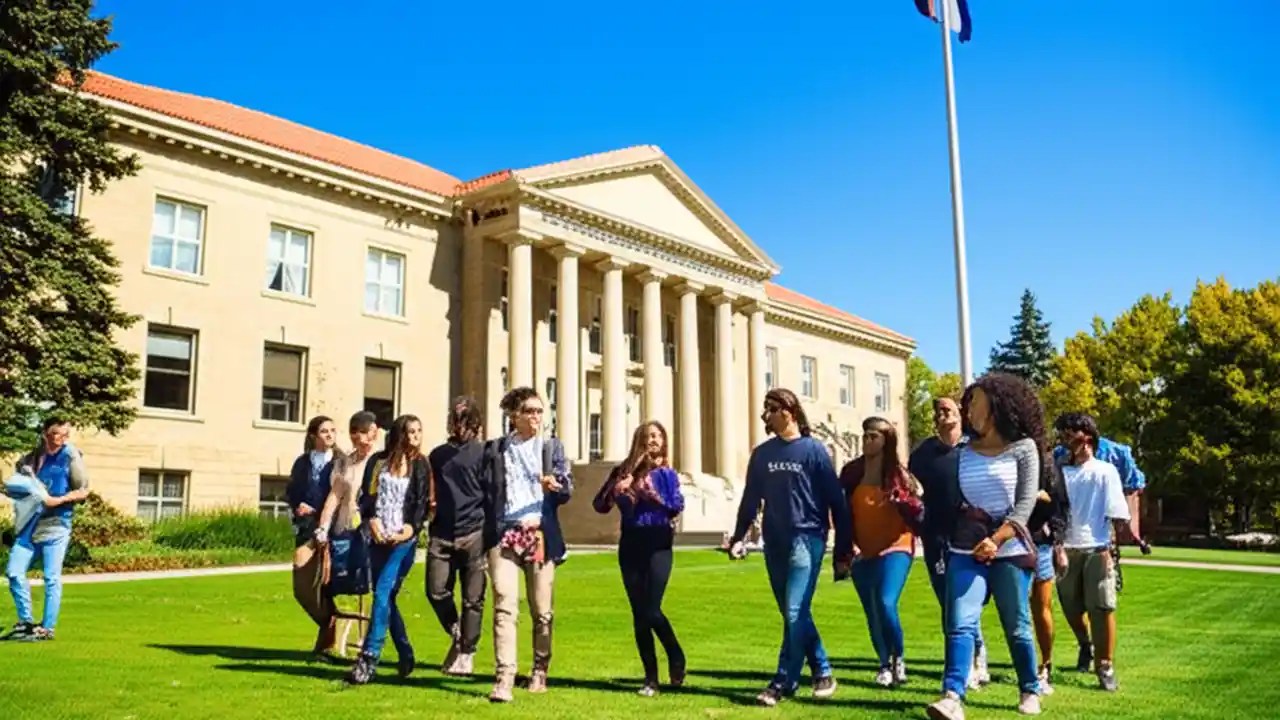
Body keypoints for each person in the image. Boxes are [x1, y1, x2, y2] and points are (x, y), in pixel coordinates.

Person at [926, 374, 1049, 720]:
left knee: (1017, 626)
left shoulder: (1023, 448)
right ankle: (952, 695)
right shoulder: (962, 451)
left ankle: (1029, 688)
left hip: (1008, 549)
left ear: (995, 404)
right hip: (966, 549)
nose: (968, 408)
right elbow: (953, 500)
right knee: (960, 621)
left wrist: (995, 540)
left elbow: (1025, 505)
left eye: (974, 400)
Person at [727, 388, 853, 708]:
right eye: (764, 408)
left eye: (771, 408)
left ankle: (783, 680)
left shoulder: (814, 451)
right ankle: (822, 669)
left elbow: (836, 502)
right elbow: (750, 499)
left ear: (789, 411)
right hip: (775, 539)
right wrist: (739, 536)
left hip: (807, 537)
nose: (765, 415)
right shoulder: (763, 454)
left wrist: (843, 552)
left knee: (795, 610)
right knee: (791, 611)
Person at [482, 386, 574, 703]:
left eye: (539, 411)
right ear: (514, 416)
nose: (536, 417)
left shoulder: (550, 447)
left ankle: (539, 669)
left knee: (541, 611)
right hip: (505, 533)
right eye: (530, 411)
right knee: (504, 607)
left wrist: (556, 485)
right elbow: (485, 491)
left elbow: (567, 488)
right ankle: (504, 677)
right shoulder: (495, 450)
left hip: (539, 534)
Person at [1053, 412, 1148, 692]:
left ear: (1087, 437)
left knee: (1102, 608)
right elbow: (1054, 511)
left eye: (1070, 432)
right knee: (1070, 607)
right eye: (1063, 433)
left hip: (1096, 548)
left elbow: (1117, 512)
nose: (1065, 439)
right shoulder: (1058, 471)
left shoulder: (1105, 471)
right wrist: (1057, 545)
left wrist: (1120, 542)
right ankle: (1086, 644)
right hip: (1066, 549)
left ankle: (1105, 666)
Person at [593, 421, 687, 696]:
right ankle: (651, 678)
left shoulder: (667, 473)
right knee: (639, 614)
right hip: (631, 544)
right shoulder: (623, 471)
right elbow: (599, 505)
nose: (652, 441)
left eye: (657, 436)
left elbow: (676, 507)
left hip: (658, 544)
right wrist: (616, 487)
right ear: (638, 441)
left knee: (651, 609)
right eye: (647, 437)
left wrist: (651, 495)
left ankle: (675, 653)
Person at [908, 397, 990, 689]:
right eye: (938, 411)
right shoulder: (924, 453)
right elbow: (912, 490)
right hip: (936, 535)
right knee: (947, 601)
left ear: (960, 415)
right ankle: (963, 657)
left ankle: (974, 659)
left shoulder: (975, 448)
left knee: (964, 602)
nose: (942, 415)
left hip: (968, 536)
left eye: (948, 410)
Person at [347, 415, 432, 684]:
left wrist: (411, 528)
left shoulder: (421, 465)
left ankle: (369, 657)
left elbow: (420, 503)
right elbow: (366, 497)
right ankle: (405, 652)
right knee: (386, 597)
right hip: (378, 538)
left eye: (418, 431)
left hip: (402, 541)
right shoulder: (378, 462)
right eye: (410, 432)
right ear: (399, 435)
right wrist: (370, 520)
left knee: (383, 591)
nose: (415, 436)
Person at [839, 417, 921, 687]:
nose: (867, 441)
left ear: (887, 441)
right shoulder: (852, 473)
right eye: (865, 436)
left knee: (886, 602)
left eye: (874, 436)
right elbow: (843, 514)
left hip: (896, 545)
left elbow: (917, 511)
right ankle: (883, 663)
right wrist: (844, 552)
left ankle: (899, 658)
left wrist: (904, 500)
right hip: (865, 551)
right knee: (872, 611)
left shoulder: (899, 475)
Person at [4, 417, 90, 641]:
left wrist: (62, 499)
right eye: (57, 434)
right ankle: (25, 622)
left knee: (51, 577)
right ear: (45, 433)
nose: (61, 439)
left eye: (65, 435)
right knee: (14, 572)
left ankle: (47, 627)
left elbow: (83, 490)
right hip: (29, 525)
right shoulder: (30, 460)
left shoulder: (70, 456)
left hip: (57, 525)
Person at [425, 397, 489, 677]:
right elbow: (429, 491)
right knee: (436, 590)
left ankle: (467, 653)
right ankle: (457, 631)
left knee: (473, 599)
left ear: (475, 423)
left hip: (475, 531)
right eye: (456, 419)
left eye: (466, 420)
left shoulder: (485, 453)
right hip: (441, 533)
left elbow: (492, 491)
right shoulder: (438, 455)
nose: (461, 425)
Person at [313, 411, 381, 657]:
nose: (361, 440)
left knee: (371, 586)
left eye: (365, 433)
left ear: (375, 433)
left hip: (373, 532)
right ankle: (336, 638)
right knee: (341, 584)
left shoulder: (383, 462)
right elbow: (335, 497)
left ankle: (367, 640)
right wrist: (323, 527)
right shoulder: (345, 465)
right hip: (346, 530)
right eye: (356, 434)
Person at [286, 416, 343, 658]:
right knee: (302, 585)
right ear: (313, 436)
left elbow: (342, 494)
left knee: (327, 582)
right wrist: (298, 505)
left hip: (334, 528)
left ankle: (327, 637)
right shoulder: (302, 463)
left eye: (332, 430)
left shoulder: (341, 462)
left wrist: (322, 513)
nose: (329, 435)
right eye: (324, 431)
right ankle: (327, 619)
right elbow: (292, 491)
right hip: (306, 528)